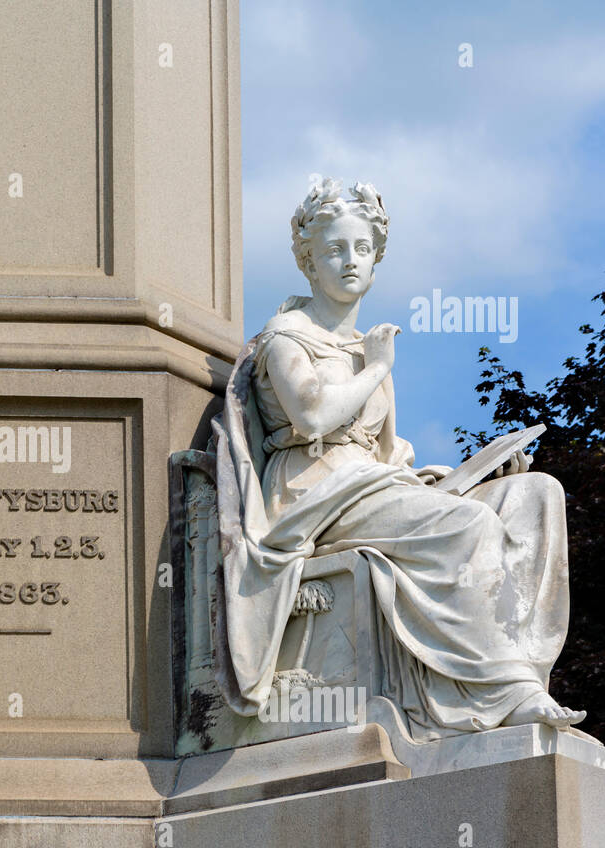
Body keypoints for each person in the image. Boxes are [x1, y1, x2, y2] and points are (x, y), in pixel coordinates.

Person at [212, 179, 584, 740]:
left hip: (373, 483)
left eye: (362, 249)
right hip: (316, 492)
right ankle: (502, 690)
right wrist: (377, 370)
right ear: (308, 262)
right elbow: (312, 417)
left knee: (535, 496)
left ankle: (524, 668)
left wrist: (435, 476)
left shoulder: (366, 346)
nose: (350, 262)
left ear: (377, 260)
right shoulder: (286, 337)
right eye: (334, 250)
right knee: (473, 523)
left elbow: (385, 451)